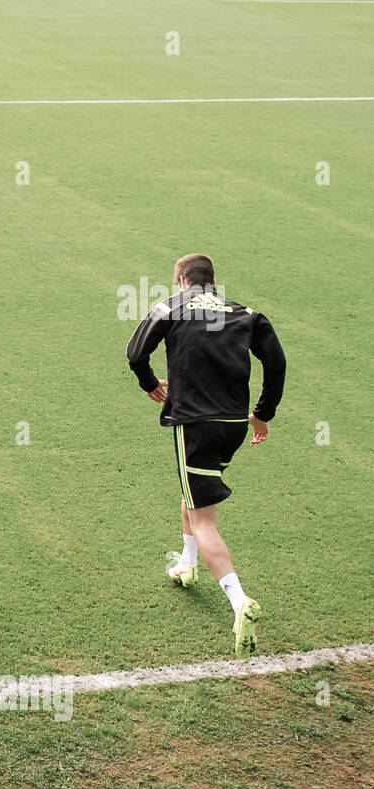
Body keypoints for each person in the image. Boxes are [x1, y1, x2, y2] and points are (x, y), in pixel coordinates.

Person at [127, 253, 286, 655]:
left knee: (204, 520)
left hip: (195, 423)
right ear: (213, 282)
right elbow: (277, 362)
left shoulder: (171, 306)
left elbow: (136, 353)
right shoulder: (246, 313)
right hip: (233, 425)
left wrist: (150, 384)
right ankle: (187, 563)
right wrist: (262, 415)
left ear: (181, 280)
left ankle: (239, 600)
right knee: (194, 492)